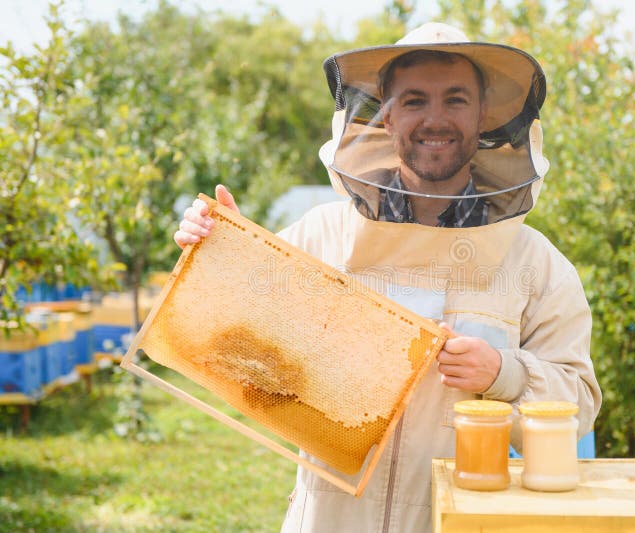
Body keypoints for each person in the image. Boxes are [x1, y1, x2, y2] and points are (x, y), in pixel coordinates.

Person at [175, 22, 601, 533]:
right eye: (415, 100)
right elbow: (240, 348)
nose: (436, 119)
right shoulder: (321, 236)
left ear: (484, 114)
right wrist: (222, 247)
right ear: (386, 114)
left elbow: (577, 409)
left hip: (459, 521)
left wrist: (503, 374)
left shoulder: (537, 264)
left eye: (456, 99)